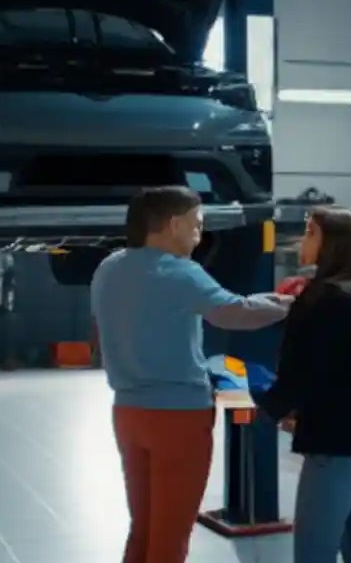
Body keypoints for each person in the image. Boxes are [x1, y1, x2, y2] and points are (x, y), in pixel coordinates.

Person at [90, 185, 291, 563]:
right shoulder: (181, 272)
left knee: (144, 526)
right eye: (196, 225)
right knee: (170, 536)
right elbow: (236, 312)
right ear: (173, 224)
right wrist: (289, 305)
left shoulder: (109, 268)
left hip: (128, 414)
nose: (200, 235)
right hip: (178, 418)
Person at [256, 207, 351, 563]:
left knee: (313, 551)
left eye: (310, 232)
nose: (300, 241)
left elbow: (301, 371)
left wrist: (268, 410)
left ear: (333, 243)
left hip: (336, 447)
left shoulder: (323, 298)